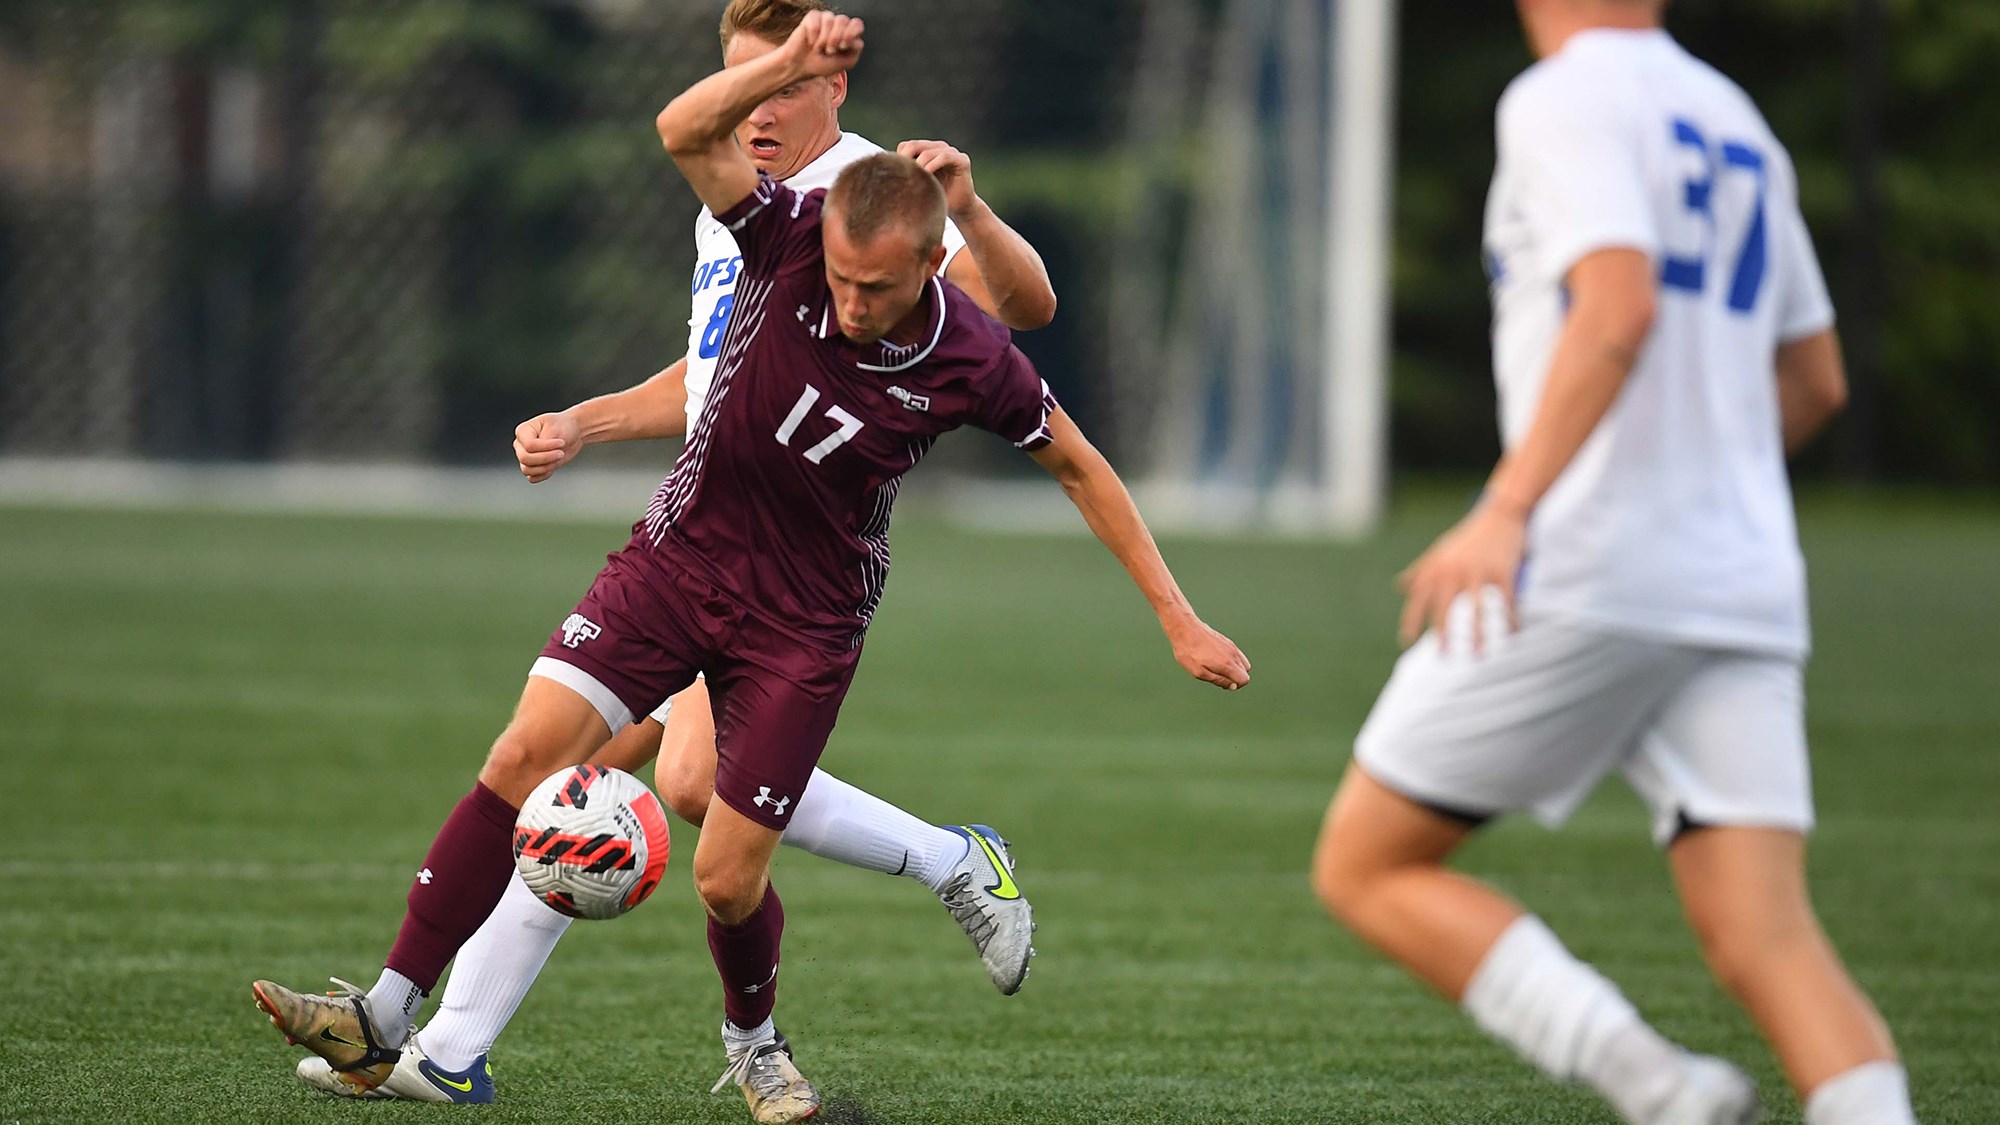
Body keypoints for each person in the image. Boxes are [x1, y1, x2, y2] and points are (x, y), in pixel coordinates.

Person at [254, 11, 1250, 1124]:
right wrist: (585, 420)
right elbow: (707, 366)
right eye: (740, 80)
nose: (753, 109)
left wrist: (1177, 615)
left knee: (701, 836)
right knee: (552, 769)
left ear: (832, 83)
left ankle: (905, 900)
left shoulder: (868, 208)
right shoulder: (765, 219)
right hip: (685, 552)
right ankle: (415, 1028)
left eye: (778, 85)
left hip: (801, 608)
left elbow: (1029, 324)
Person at [1310, 2, 1917, 1124]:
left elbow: (1617, 302)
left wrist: (1507, 508)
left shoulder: (1563, 97)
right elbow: (1816, 380)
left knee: (1367, 864)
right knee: (1766, 936)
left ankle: (1663, 1091)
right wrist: (1703, 487)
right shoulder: (1731, 115)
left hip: (1585, 565)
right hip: (1741, 579)